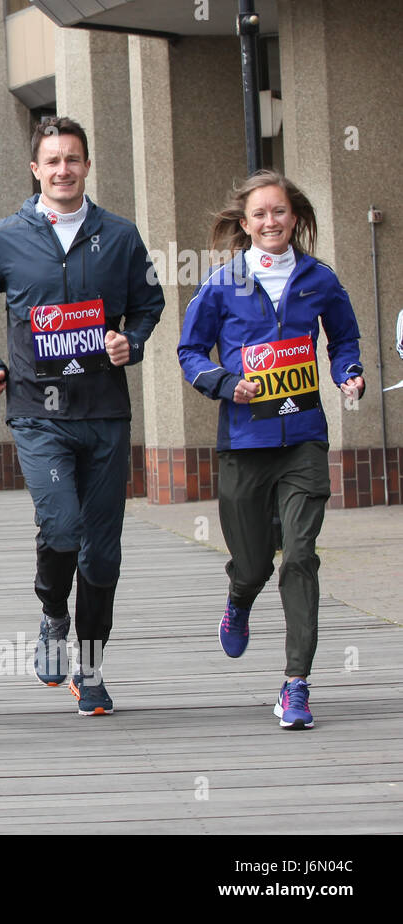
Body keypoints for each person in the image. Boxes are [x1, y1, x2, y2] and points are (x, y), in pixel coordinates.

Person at [0, 116, 163, 716]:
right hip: (37, 413)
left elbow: (149, 302)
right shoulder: (4, 237)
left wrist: (133, 338)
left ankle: (92, 667)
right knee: (61, 528)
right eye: (52, 160)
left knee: (102, 553)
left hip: (104, 411)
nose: (62, 170)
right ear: (35, 168)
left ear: (86, 165)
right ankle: (54, 617)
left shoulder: (121, 236)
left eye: (72, 159)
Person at [178, 170, 364, 729]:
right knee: (256, 563)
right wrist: (222, 381)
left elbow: (345, 339)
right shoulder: (222, 283)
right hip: (244, 440)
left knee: (301, 558)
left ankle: (296, 684)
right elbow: (191, 351)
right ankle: (239, 597)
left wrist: (348, 373)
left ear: (295, 216)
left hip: (303, 438)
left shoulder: (320, 279)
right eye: (259, 214)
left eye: (279, 212)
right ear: (244, 223)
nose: (270, 222)